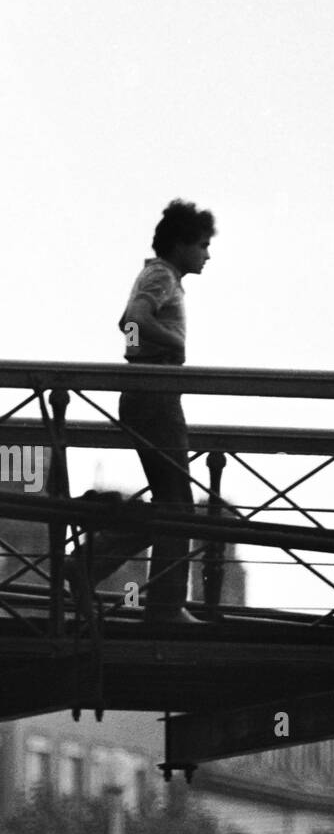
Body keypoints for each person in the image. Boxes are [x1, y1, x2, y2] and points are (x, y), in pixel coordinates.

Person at [69, 199, 215, 624]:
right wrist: (171, 344)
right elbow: (132, 320)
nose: (207, 254)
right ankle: (165, 606)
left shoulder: (155, 275)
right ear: (180, 244)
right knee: (178, 507)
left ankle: (94, 562)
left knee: (172, 504)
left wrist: (141, 344)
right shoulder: (161, 275)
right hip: (154, 395)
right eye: (202, 245)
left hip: (146, 391)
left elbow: (128, 327)